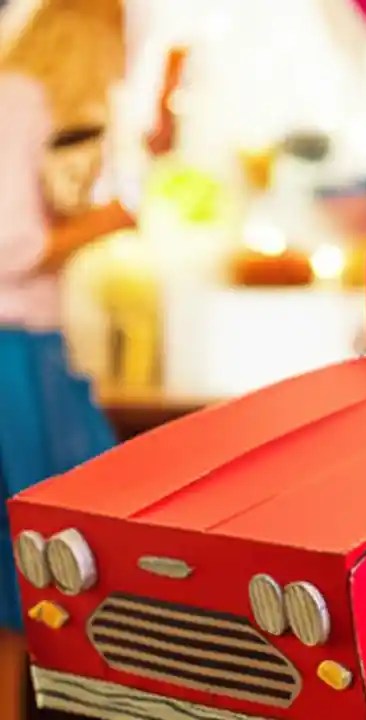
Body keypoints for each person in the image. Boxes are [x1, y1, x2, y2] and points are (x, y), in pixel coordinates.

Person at [0, 0, 137, 715]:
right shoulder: (21, 99)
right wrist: (107, 221)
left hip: (35, 346)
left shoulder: (33, 102)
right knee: (78, 543)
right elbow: (12, 248)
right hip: (16, 349)